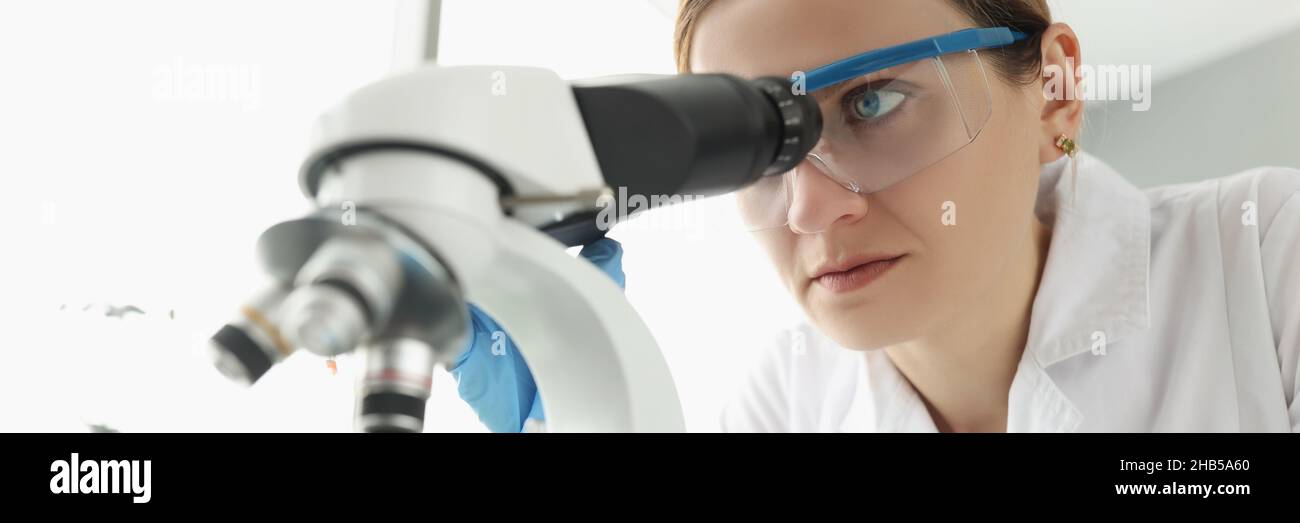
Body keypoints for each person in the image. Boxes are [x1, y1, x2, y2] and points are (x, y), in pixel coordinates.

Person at [453, 0, 1300, 432]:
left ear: (1056, 92)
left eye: (873, 101)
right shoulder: (786, 404)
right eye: (763, 149)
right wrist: (591, 391)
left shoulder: (1265, 261)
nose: (812, 205)